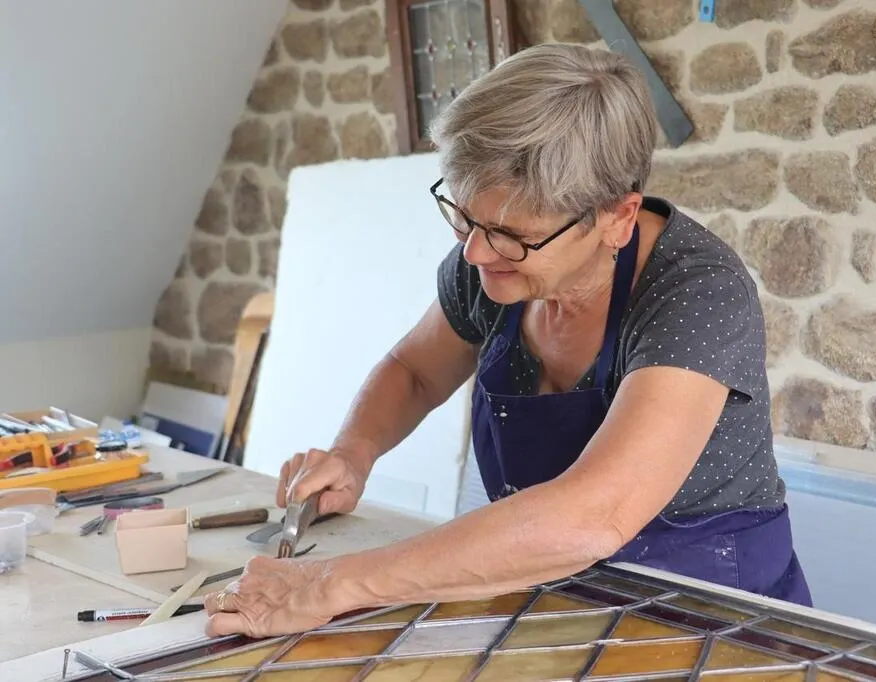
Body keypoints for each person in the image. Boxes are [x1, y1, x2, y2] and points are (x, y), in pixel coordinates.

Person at [203, 42, 812, 638]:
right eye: (465, 218)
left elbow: (593, 516)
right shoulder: (491, 262)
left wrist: (333, 584)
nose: (474, 251)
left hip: (713, 618)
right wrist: (353, 453)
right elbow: (415, 370)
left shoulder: (696, 294)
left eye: (510, 234)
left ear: (617, 218)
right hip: (552, 598)